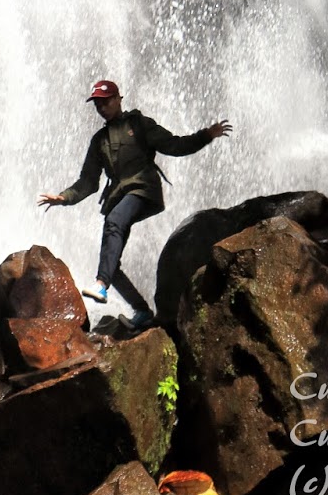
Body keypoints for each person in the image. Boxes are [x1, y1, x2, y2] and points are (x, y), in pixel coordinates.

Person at [39, 78, 232, 328]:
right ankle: (141, 311)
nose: (101, 107)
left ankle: (101, 284)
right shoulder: (99, 141)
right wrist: (64, 197)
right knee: (111, 258)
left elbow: (175, 145)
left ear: (119, 99)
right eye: (97, 103)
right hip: (120, 196)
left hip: (143, 190)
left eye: (106, 101)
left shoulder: (139, 124)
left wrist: (206, 135)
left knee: (114, 222)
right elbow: (88, 182)